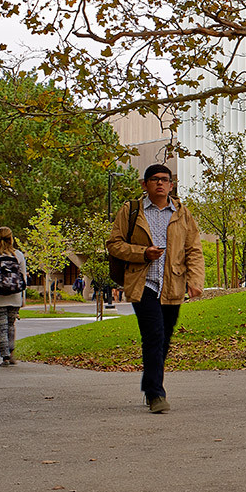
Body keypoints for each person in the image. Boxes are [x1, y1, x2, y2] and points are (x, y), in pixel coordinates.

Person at [105, 162, 204, 413]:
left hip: (173, 284)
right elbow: (114, 244)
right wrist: (142, 253)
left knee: (164, 338)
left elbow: (193, 249)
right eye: (154, 179)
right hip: (144, 283)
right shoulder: (131, 211)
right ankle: (156, 394)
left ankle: (150, 385)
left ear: (171, 185)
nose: (160, 183)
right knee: (154, 335)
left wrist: (195, 281)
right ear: (145, 184)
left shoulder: (182, 213)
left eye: (165, 179)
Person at [0, 227, 28, 366]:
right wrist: (22, 299)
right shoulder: (18, 255)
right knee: (10, 325)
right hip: (15, 296)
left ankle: (5, 356)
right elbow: (23, 278)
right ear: (11, 238)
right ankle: (11, 351)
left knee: (0, 327)